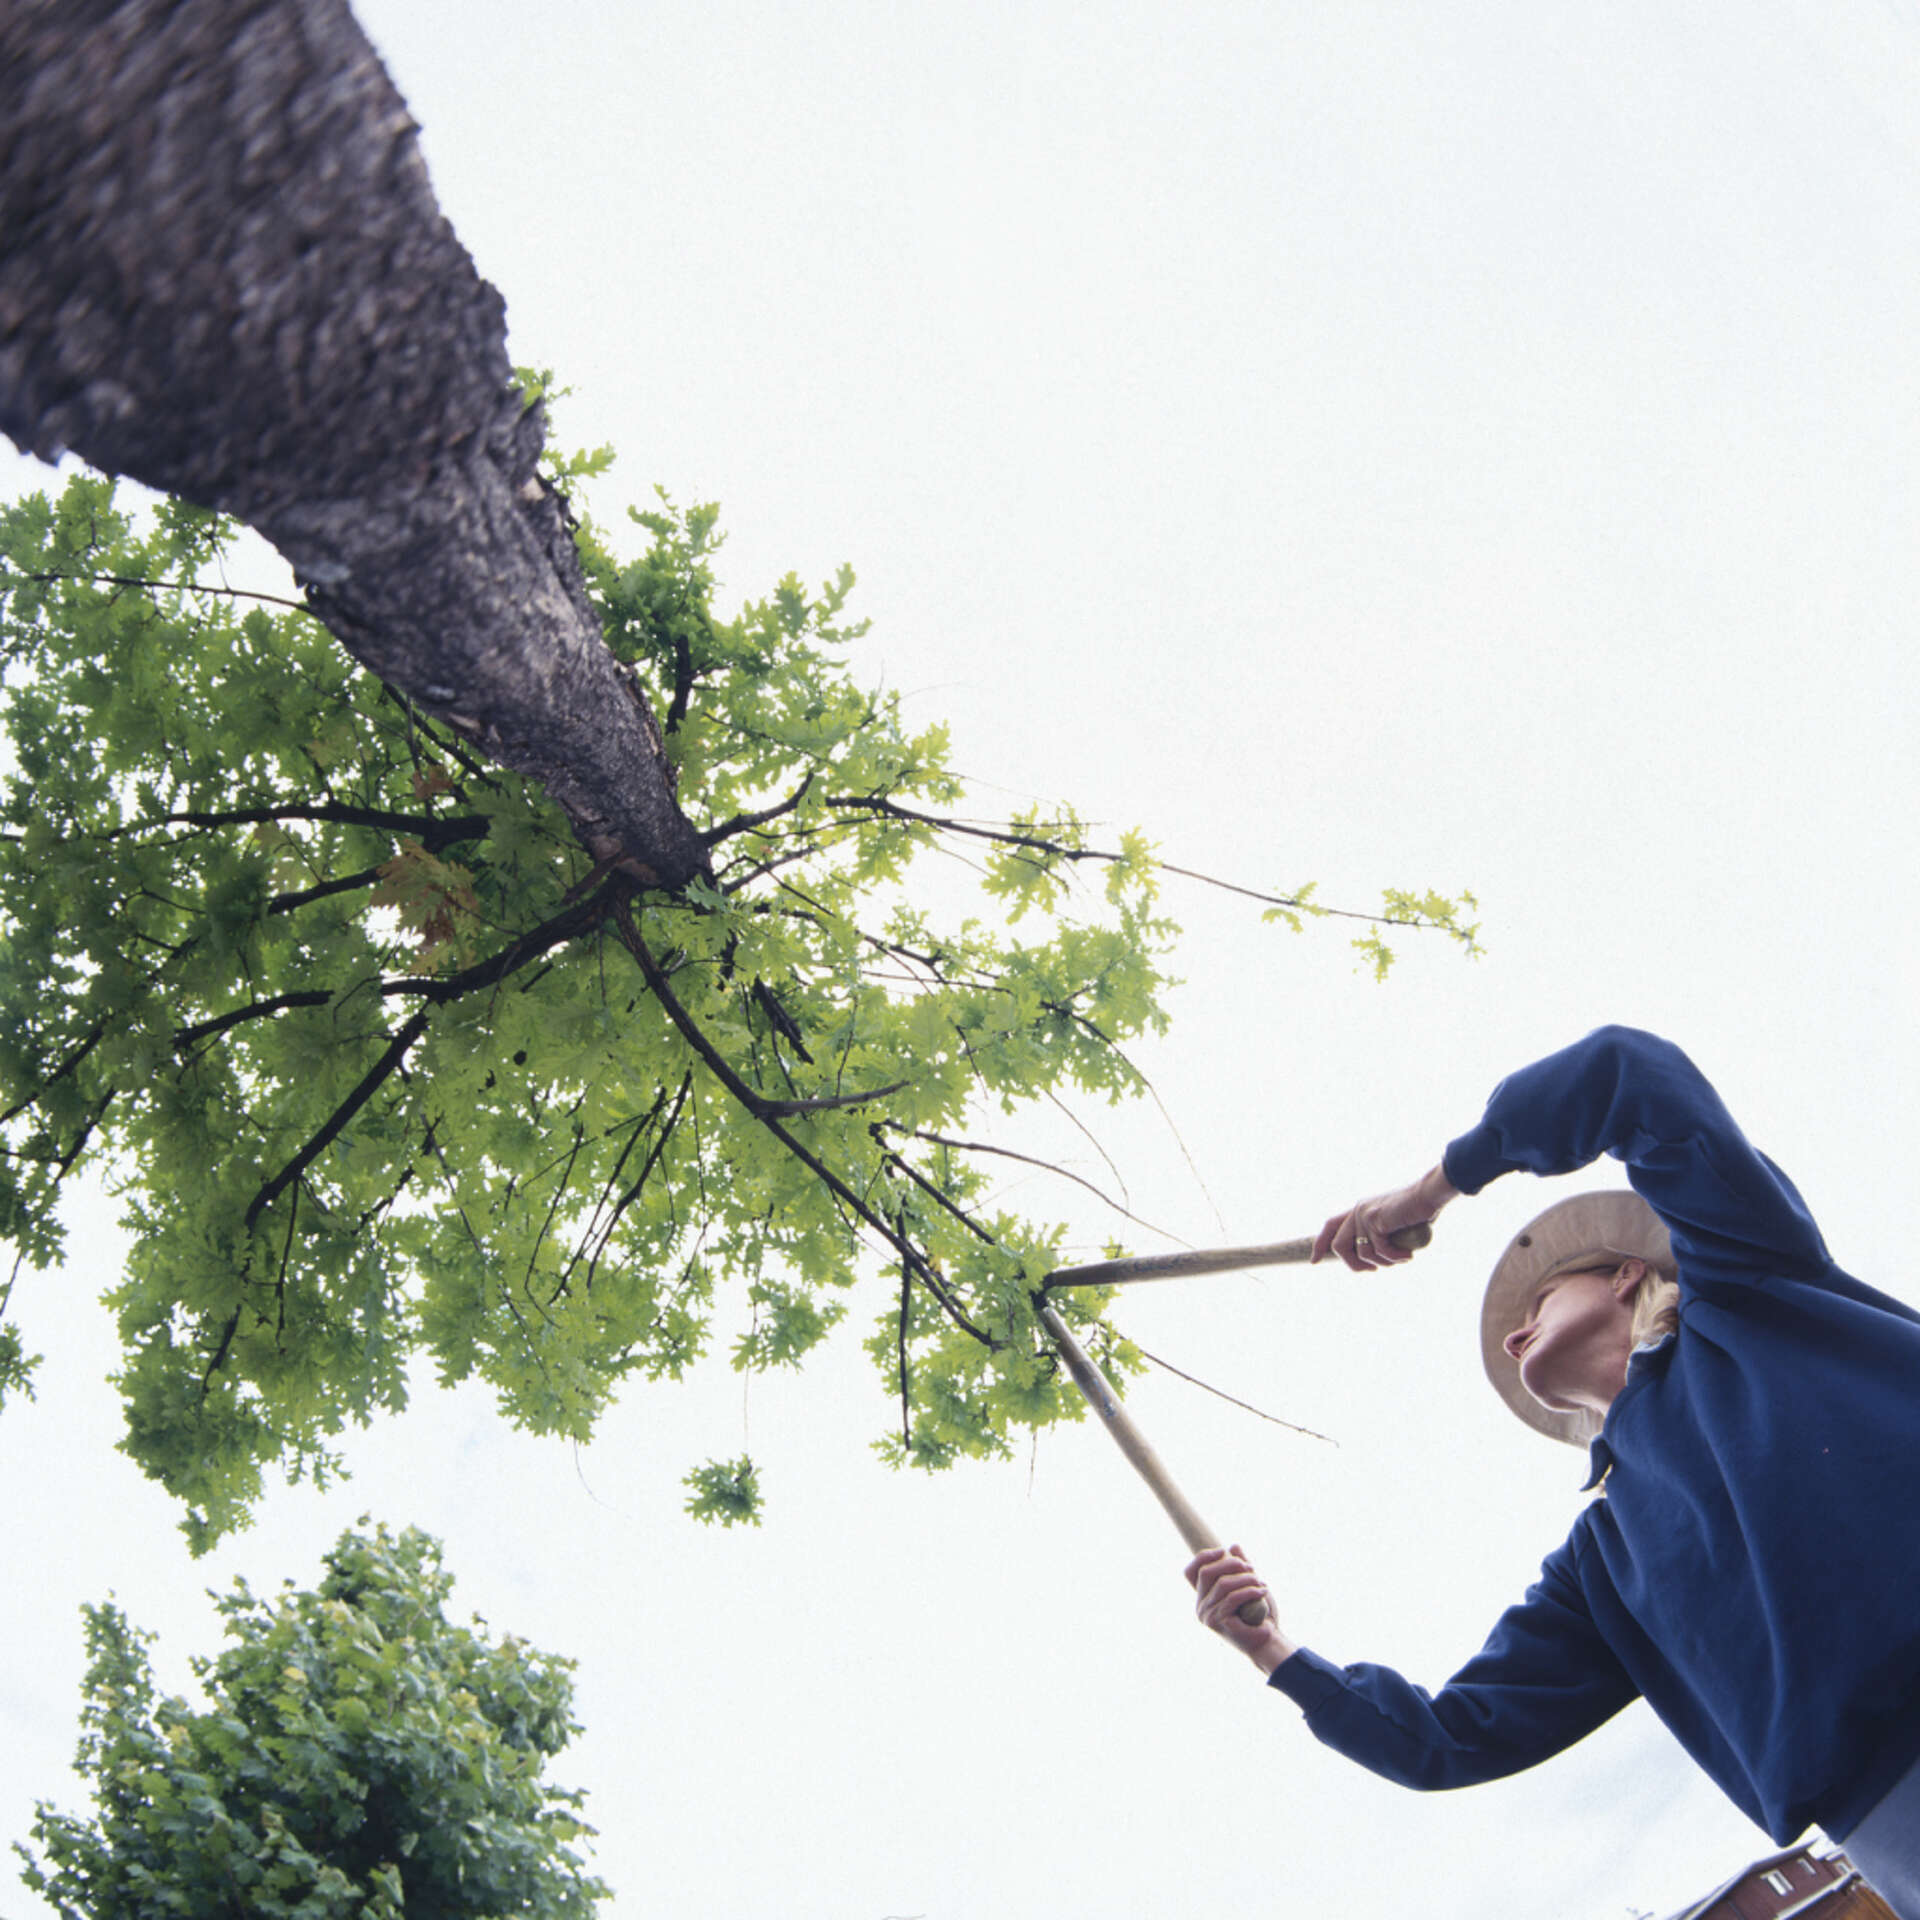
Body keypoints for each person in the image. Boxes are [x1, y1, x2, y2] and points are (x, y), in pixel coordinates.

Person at [1186, 1027, 1920, 1913]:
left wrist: (1433, 1187)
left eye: (1535, 1301)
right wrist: (1271, 1649)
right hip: (1889, 1815)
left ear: (1622, 1275)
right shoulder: (1607, 1559)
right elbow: (1448, 1740)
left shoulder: (1747, 1287)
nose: (1510, 1333)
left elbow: (1628, 1073)